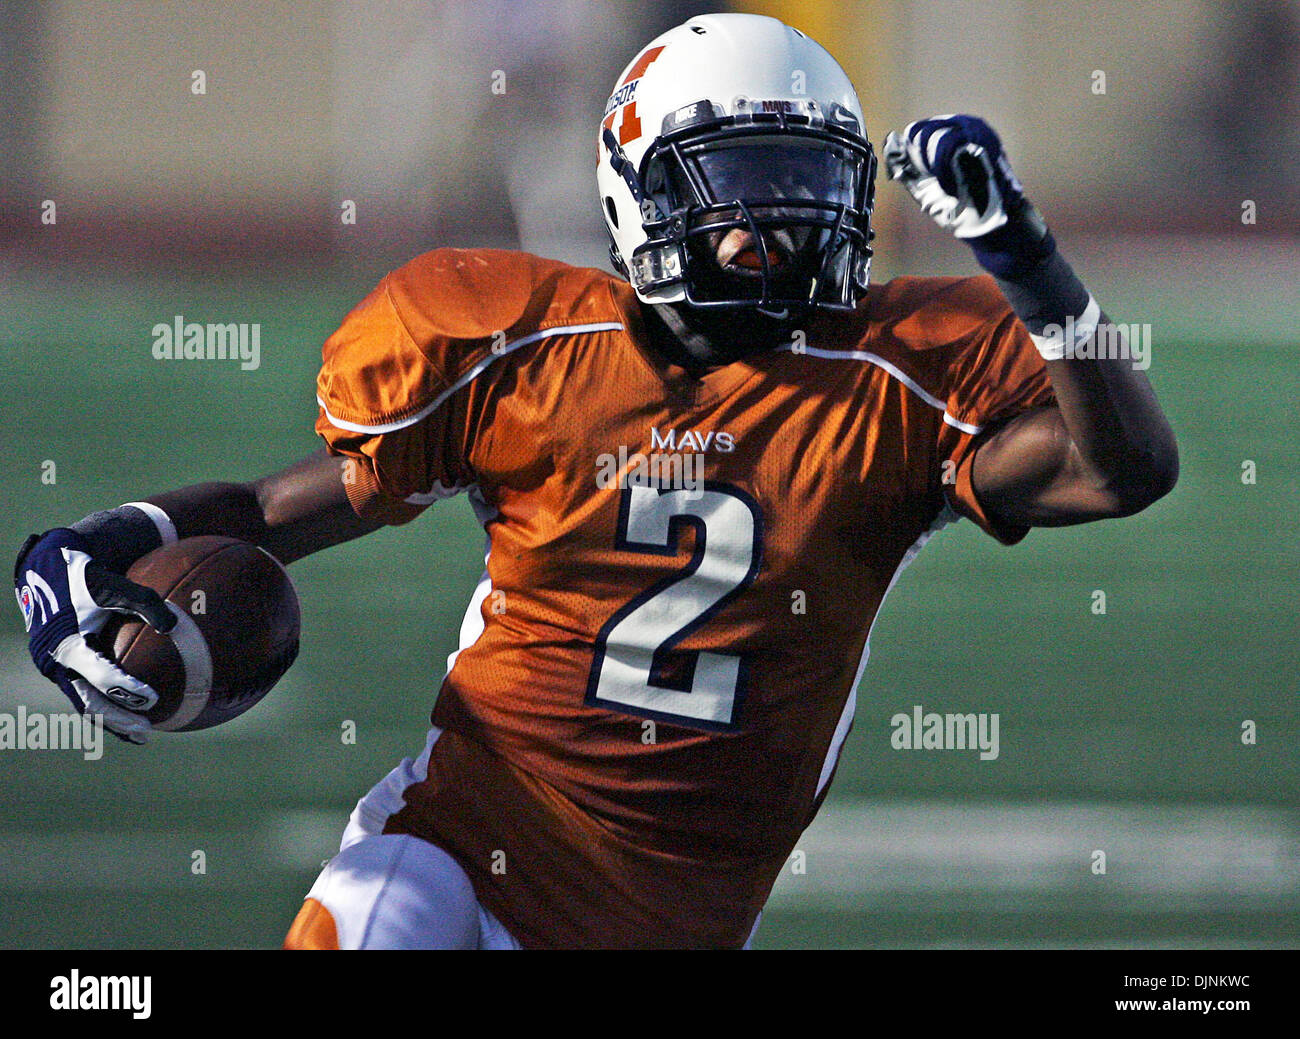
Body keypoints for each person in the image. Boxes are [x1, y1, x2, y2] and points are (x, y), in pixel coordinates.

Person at [14, 13, 1177, 949]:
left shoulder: (893, 377)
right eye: (741, 177)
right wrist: (111, 538)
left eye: (806, 177)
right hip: (465, 832)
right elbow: (289, 508)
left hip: (683, 909)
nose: (779, 217)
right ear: (643, 188)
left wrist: (1033, 268)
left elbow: (1121, 469)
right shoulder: (526, 349)